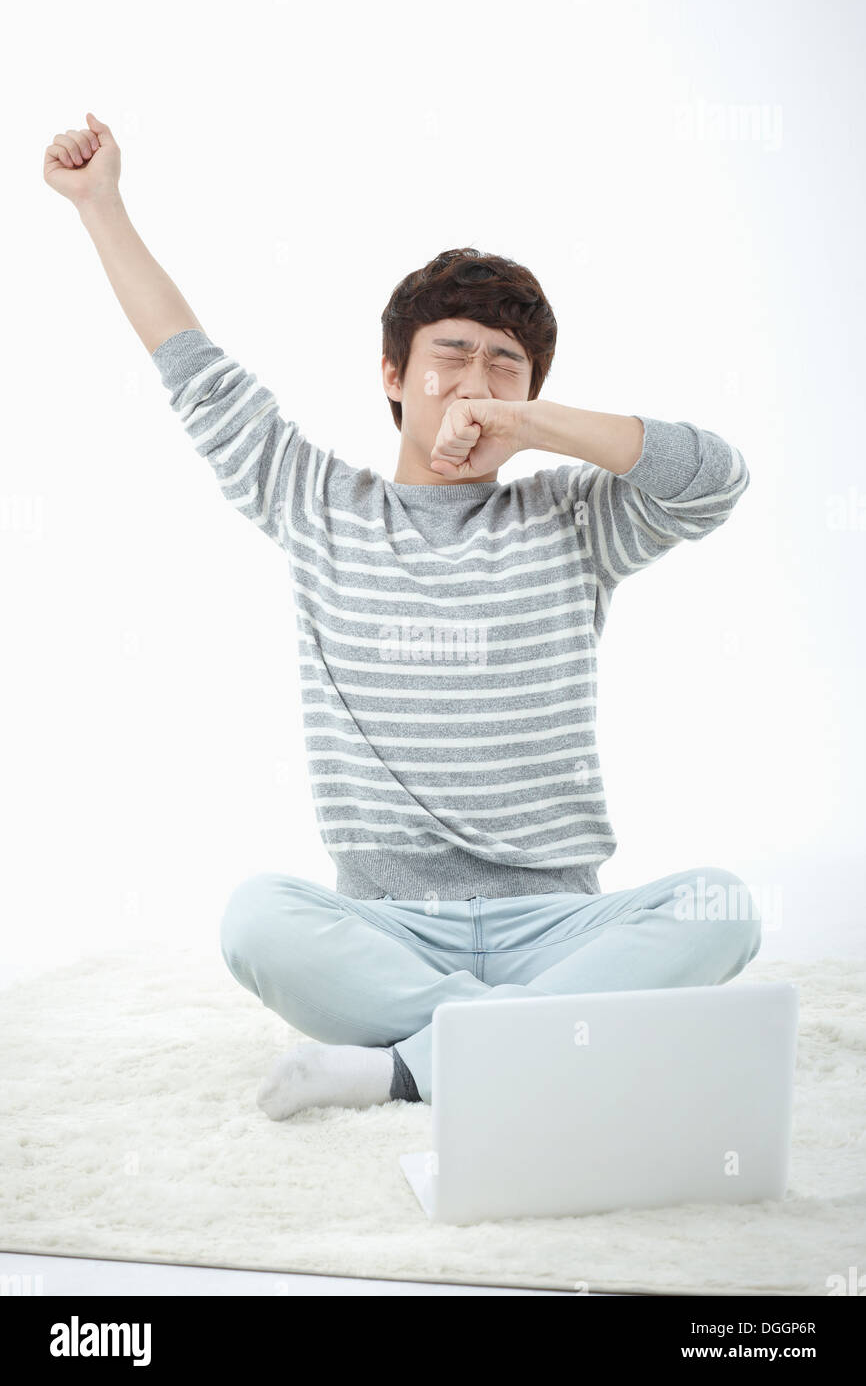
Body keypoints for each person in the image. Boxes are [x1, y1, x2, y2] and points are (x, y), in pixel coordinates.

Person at [45, 113, 762, 1116]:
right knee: (256, 917)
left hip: (556, 922)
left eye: (502, 366)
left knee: (720, 907)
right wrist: (99, 203)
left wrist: (530, 421)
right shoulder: (314, 500)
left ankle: (411, 1068)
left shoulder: (573, 519)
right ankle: (528, 1038)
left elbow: (714, 480)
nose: (473, 386)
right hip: (388, 931)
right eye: (448, 357)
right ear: (392, 376)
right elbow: (191, 366)